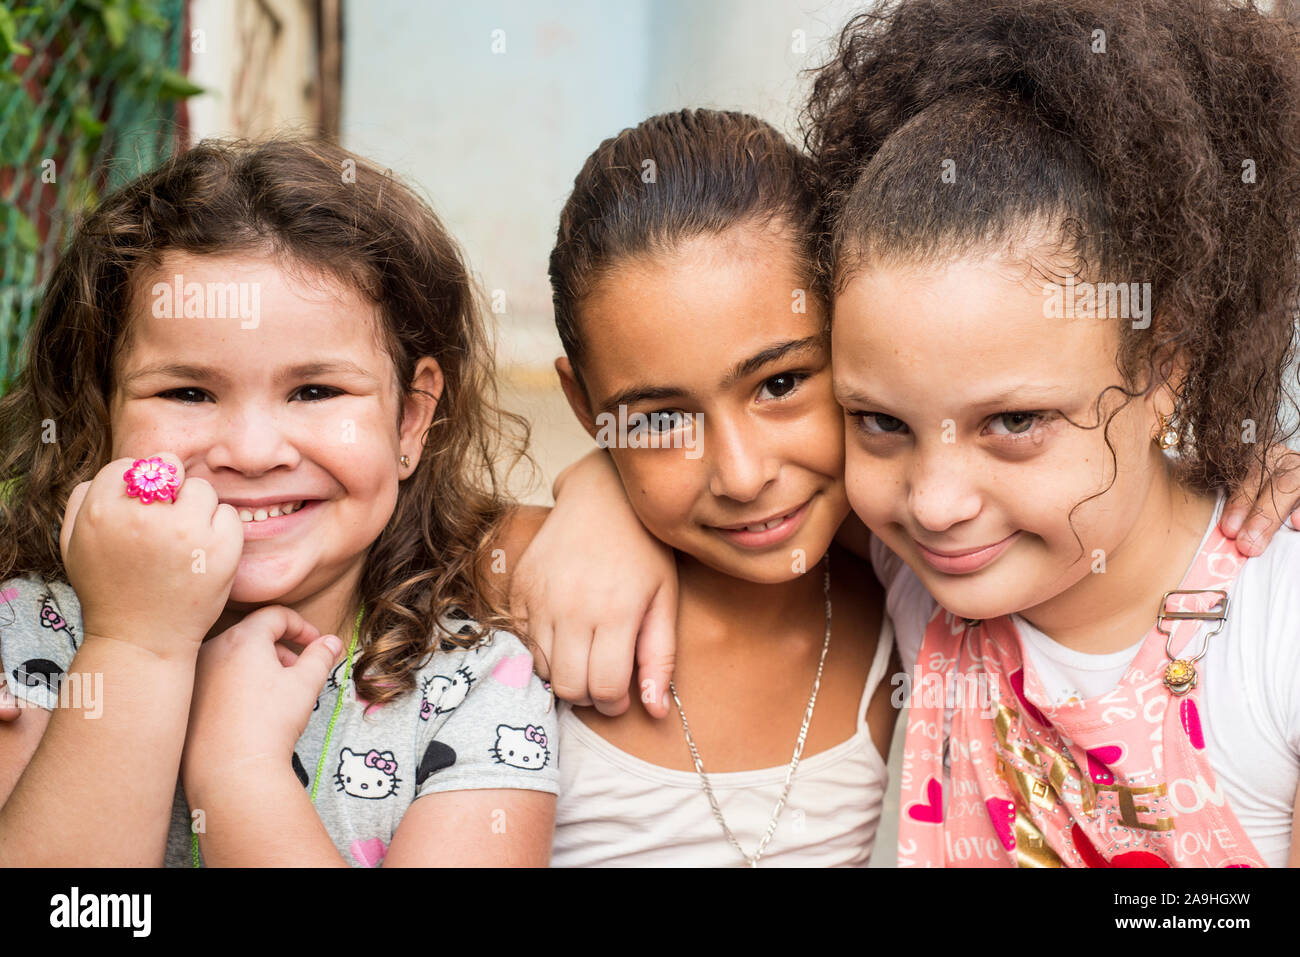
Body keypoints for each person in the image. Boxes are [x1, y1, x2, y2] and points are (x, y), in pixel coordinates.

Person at [515, 0, 1300, 867]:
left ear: (1163, 372)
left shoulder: (1273, 629)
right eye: (881, 420)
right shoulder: (918, 570)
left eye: (1015, 421)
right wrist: (597, 493)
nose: (935, 500)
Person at [0, 139, 556, 866]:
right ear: (101, 412)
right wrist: (136, 646)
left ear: (411, 420)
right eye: (188, 392)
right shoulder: (33, 637)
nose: (254, 450)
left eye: (316, 391)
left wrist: (240, 772)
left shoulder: (477, 689)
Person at [541, 109, 895, 866]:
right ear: (584, 407)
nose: (741, 474)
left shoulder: (919, 603)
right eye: (662, 419)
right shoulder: (528, 593)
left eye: (781, 383)